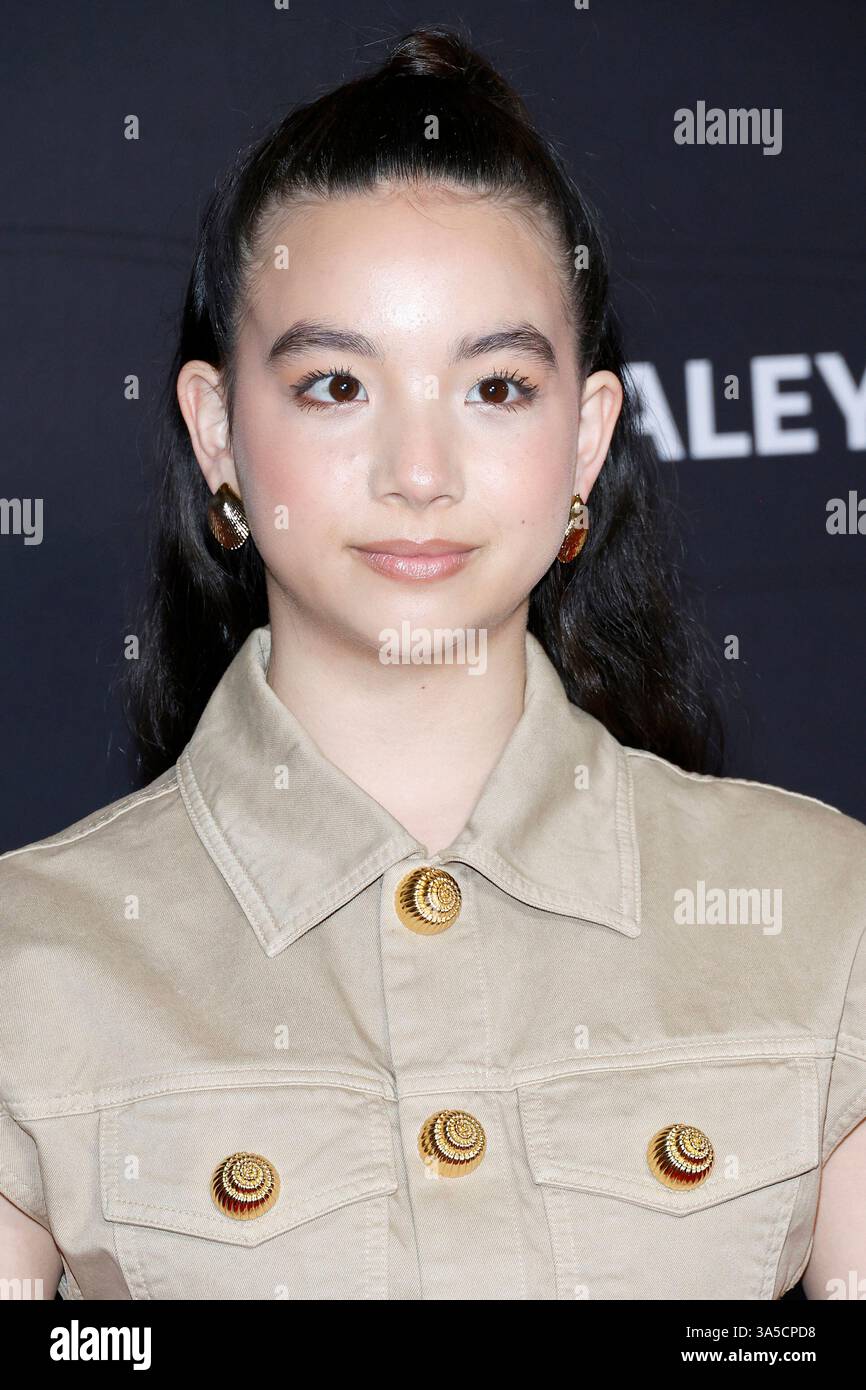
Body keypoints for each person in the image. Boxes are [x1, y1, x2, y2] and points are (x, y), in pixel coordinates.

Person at [1, 24, 864, 1302]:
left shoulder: (822, 913)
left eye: (497, 388)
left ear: (585, 439)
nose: (418, 474)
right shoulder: (35, 962)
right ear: (218, 430)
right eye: (336, 385)